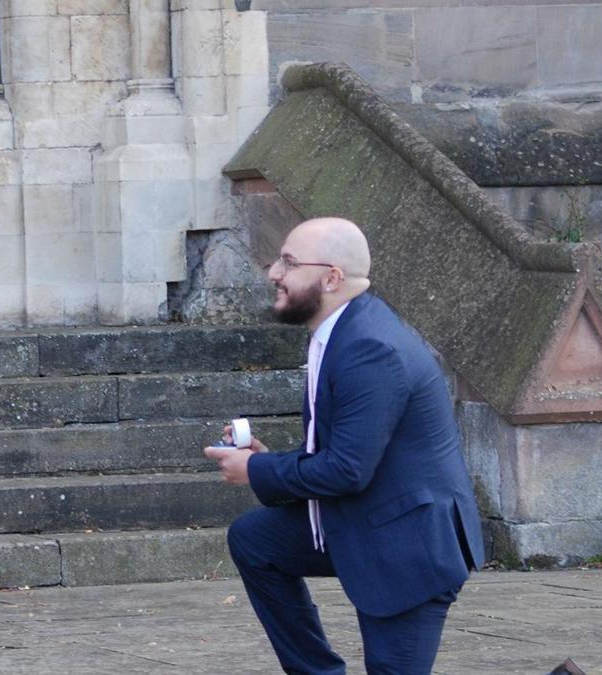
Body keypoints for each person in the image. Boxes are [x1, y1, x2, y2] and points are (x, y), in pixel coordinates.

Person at [204, 217, 485, 675]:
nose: (274, 272)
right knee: (256, 540)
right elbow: (340, 455)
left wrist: (255, 471)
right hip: (368, 520)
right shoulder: (340, 331)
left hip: (409, 547)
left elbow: (347, 471)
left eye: (290, 263)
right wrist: (267, 461)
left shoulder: (368, 348)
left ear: (331, 277)